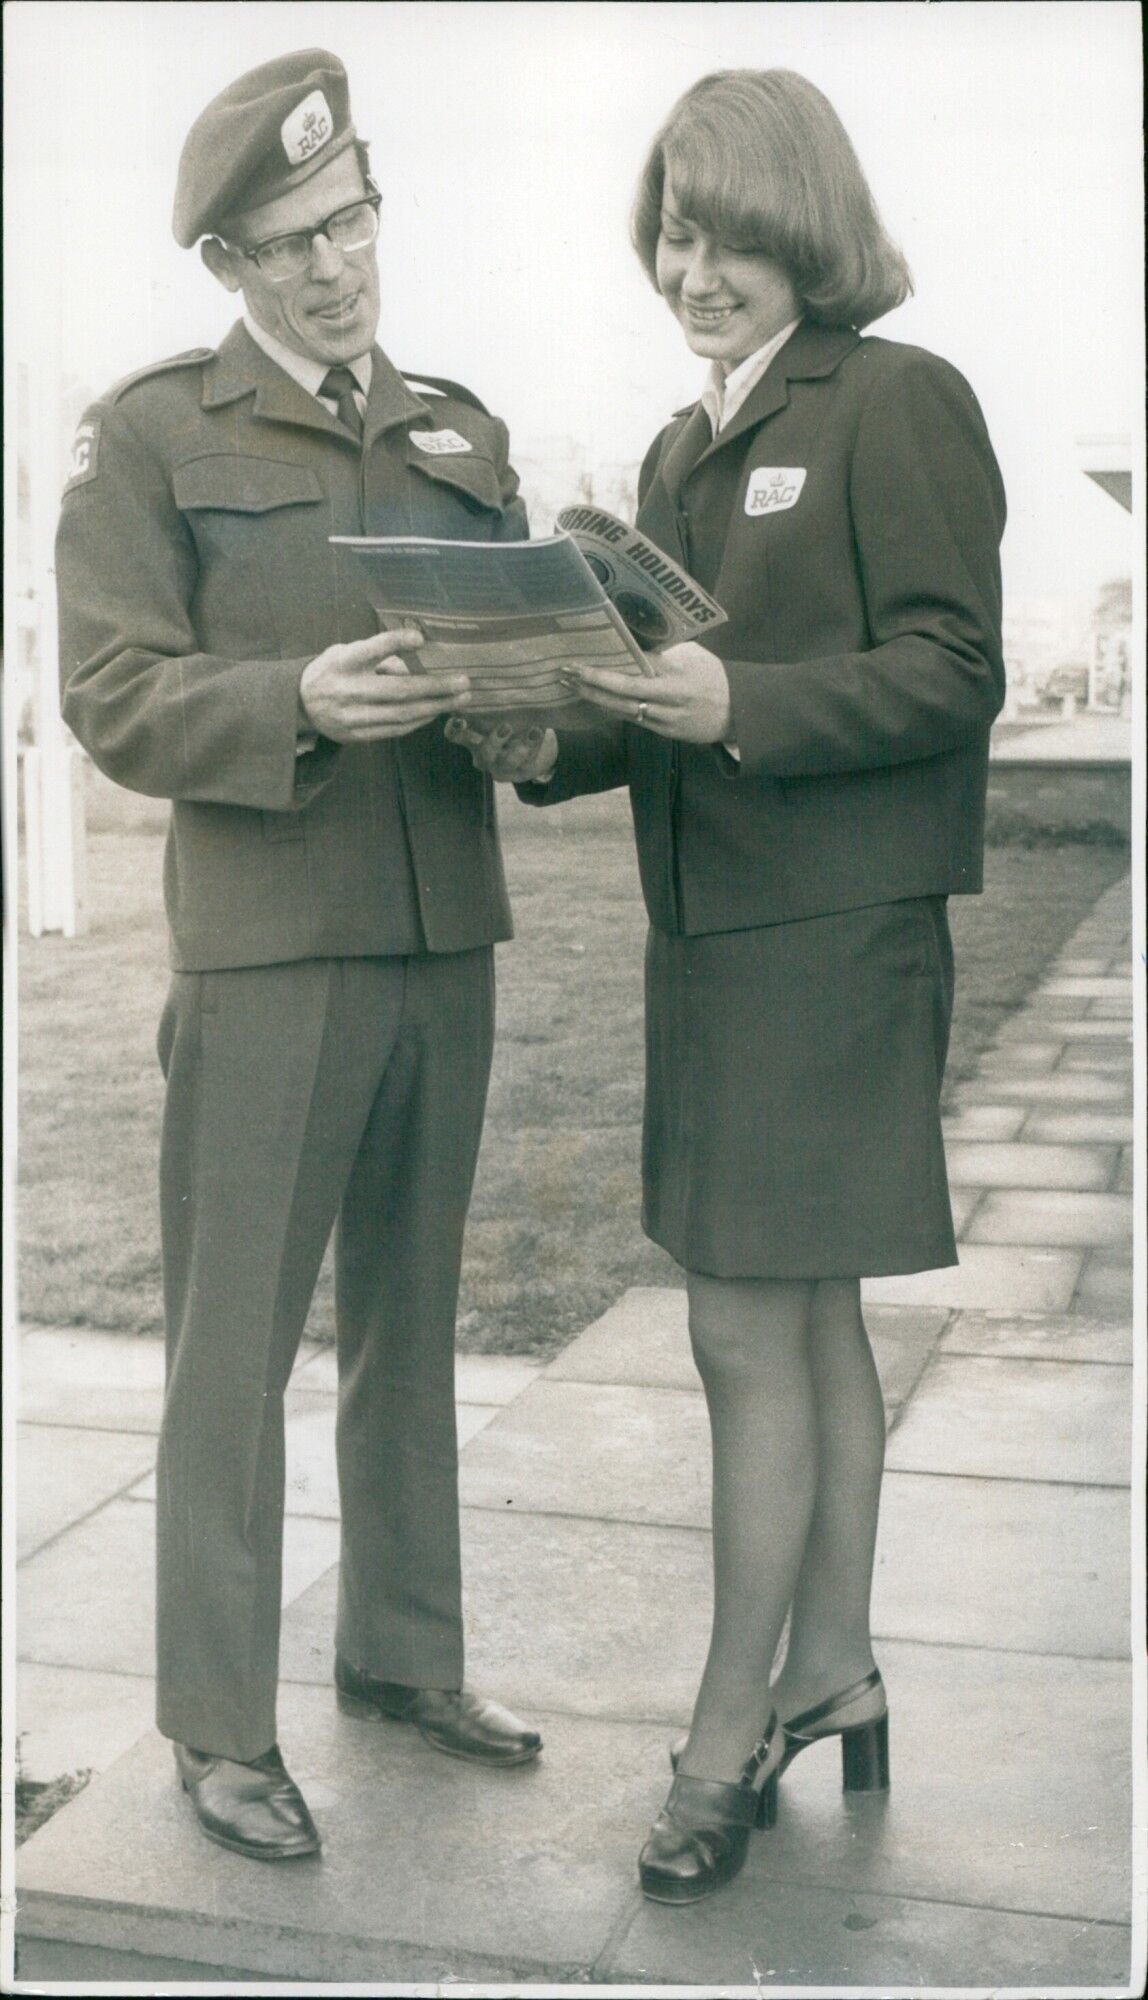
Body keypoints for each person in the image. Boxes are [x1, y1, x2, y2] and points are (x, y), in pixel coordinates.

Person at [454, 67, 1006, 1904]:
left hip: (833, 947)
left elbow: (950, 671)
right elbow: (667, 703)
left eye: (731, 235)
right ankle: (831, 1665)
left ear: (807, 230)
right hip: (720, 943)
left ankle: (723, 1740)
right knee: (799, 1327)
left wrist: (743, 705)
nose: (694, 270)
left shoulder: (896, 399)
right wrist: (544, 730)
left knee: (744, 1337)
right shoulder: (690, 450)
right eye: (673, 235)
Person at [56, 49, 542, 1864]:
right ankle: (218, 1725)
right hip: (266, 952)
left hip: (443, 937)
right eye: (283, 246)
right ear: (229, 272)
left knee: (414, 1332)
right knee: (233, 1349)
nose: (330, 268)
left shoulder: (459, 434)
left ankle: (406, 1660)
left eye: (346, 224)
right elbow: (112, 693)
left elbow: (526, 668)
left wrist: (532, 722)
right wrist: (300, 699)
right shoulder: (154, 433)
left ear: (376, 211)